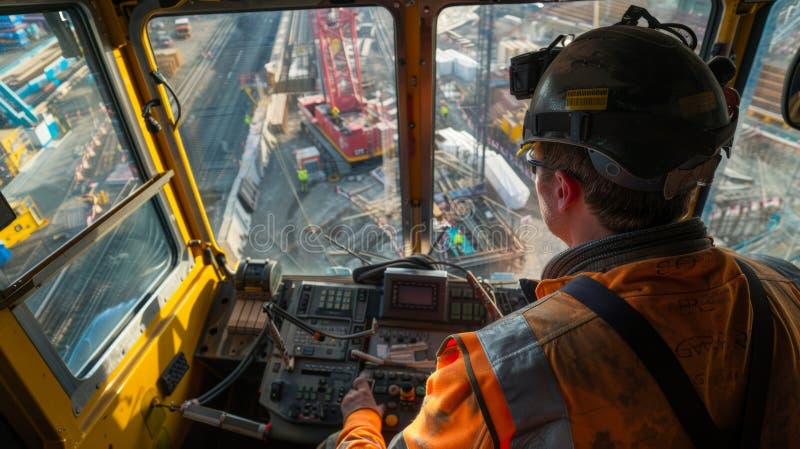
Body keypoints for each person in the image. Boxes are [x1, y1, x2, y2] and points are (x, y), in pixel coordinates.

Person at [334, 21, 800, 449]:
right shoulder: (788, 289)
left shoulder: (504, 370)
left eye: (535, 164)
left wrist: (360, 421)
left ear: (560, 189)